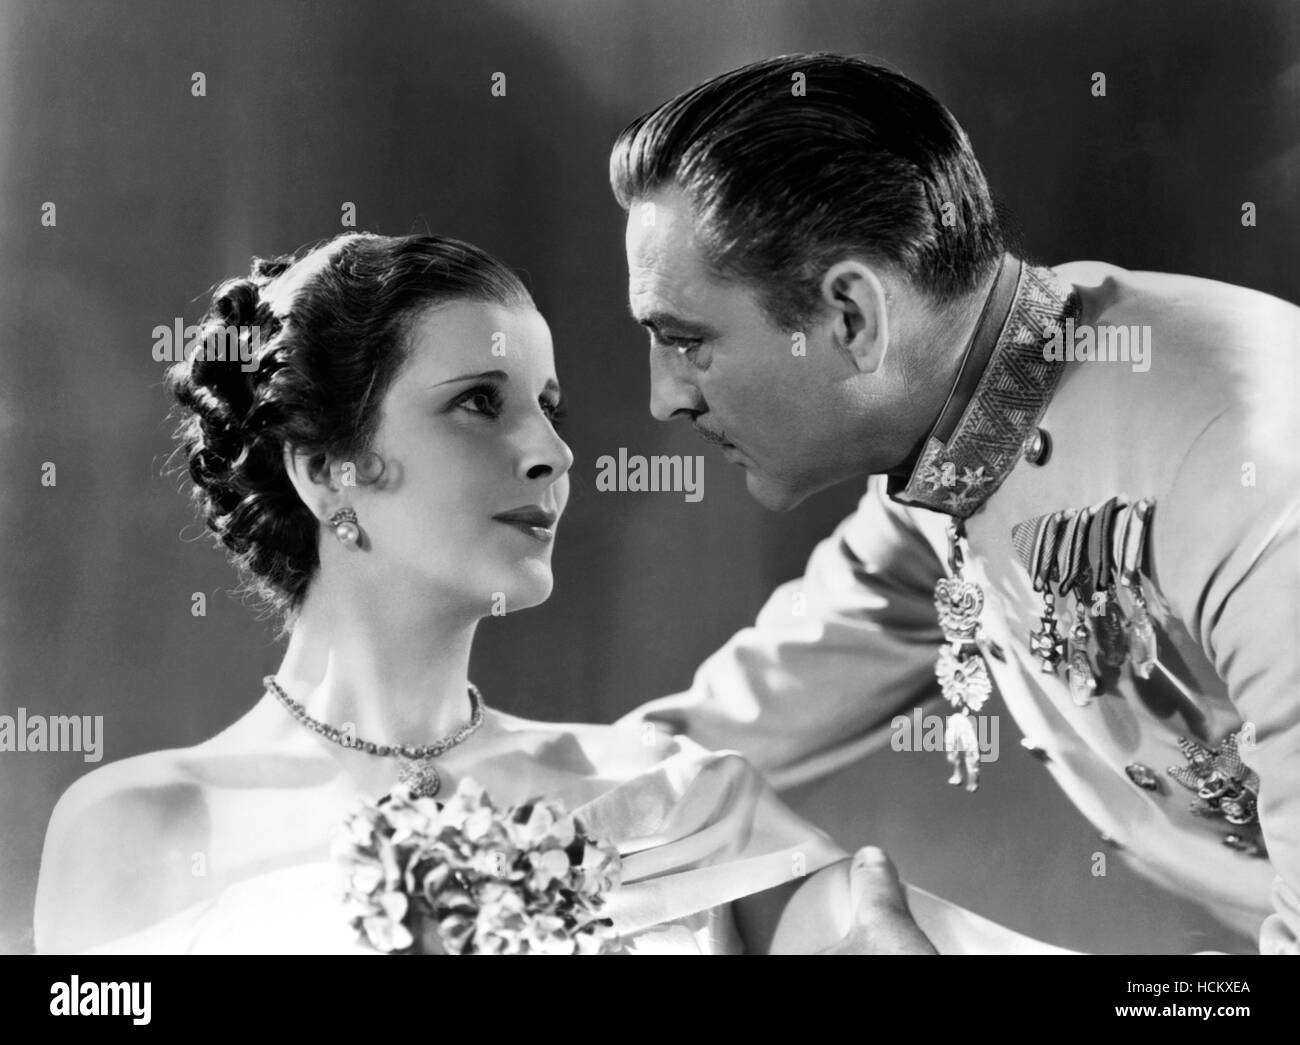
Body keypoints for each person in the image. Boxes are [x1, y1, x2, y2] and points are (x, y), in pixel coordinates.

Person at [32, 232, 1050, 955]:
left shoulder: (667, 794)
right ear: (326, 468)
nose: (552, 454)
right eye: (479, 403)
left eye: (548, 409)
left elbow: (860, 937)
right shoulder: (142, 823)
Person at [610, 53, 1300, 954]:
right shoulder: (955, 437)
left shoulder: (1249, 470)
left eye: (687, 341)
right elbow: (720, 729)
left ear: (852, 315)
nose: (666, 396)